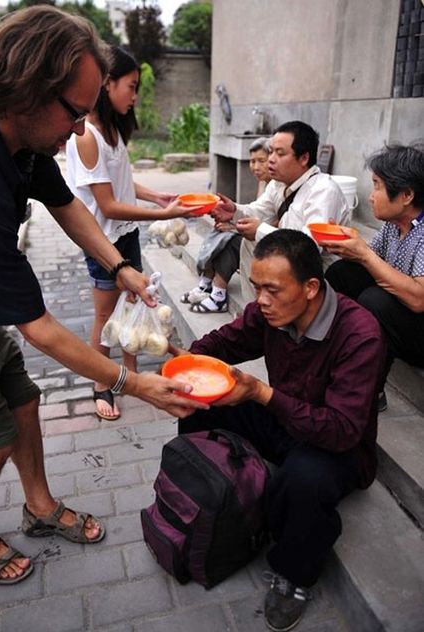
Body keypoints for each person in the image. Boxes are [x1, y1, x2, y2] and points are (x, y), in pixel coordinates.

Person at [0, 6, 206, 586]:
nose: (82, 126)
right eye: (76, 111)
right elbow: (39, 326)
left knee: (22, 398)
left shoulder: (17, 133)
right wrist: (134, 383)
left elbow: (65, 203)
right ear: (26, 90)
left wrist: (119, 267)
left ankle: (39, 507)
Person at [171, 230, 386, 631]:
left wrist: (261, 394)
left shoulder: (360, 334)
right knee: (200, 408)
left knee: (301, 480)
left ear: (310, 288)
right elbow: (222, 343)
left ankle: (295, 575)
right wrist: (183, 361)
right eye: (256, 288)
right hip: (285, 420)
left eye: (272, 289)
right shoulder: (266, 314)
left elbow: (341, 430)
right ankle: (210, 495)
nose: (262, 301)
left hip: (337, 446)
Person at [66, 46, 193, 421]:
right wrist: (162, 213)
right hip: (102, 240)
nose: (135, 96)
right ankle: (101, 383)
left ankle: (131, 374)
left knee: (135, 302)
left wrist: (158, 195)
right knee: (105, 316)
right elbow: (108, 205)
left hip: (126, 234)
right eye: (131, 86)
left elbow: (121, 183)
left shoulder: (112, 131)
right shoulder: (86, 135)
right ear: (107, 84)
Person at [324, 144, 424, 412]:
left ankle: (371, 391)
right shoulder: (394, 225)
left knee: (374, 301)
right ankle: (333, 355)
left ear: (406, 195)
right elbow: (369, 258)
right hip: (402, 312)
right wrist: (346, 244)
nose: (371, 196)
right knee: (342, 273)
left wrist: (364, 255)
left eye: (377, 186)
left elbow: (418, 299)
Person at [212, 120, 350, 303]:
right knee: (249, 242)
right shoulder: (278, 185)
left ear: (304, 158)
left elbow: (309, 248)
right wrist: (234, 211)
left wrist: (260, 230)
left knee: (255, 240)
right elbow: (259, 211)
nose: (271, 159)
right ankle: (254, 313)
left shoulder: (324, 190)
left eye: (280, 153)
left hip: (317, 273)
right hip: (288, 260)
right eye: (271, 151)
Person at [180, 137, 272, 313]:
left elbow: (272, 222)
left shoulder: (279, 185)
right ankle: (206, 283)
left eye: (261, 161)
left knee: (230, 240)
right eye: (252, 161)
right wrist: (231, 220)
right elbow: (257, 211)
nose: (255, 166)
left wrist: (234, 227)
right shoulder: (265, 183)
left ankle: (218, 295)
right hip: (259, 232)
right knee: (220, 229)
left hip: (269, 239)